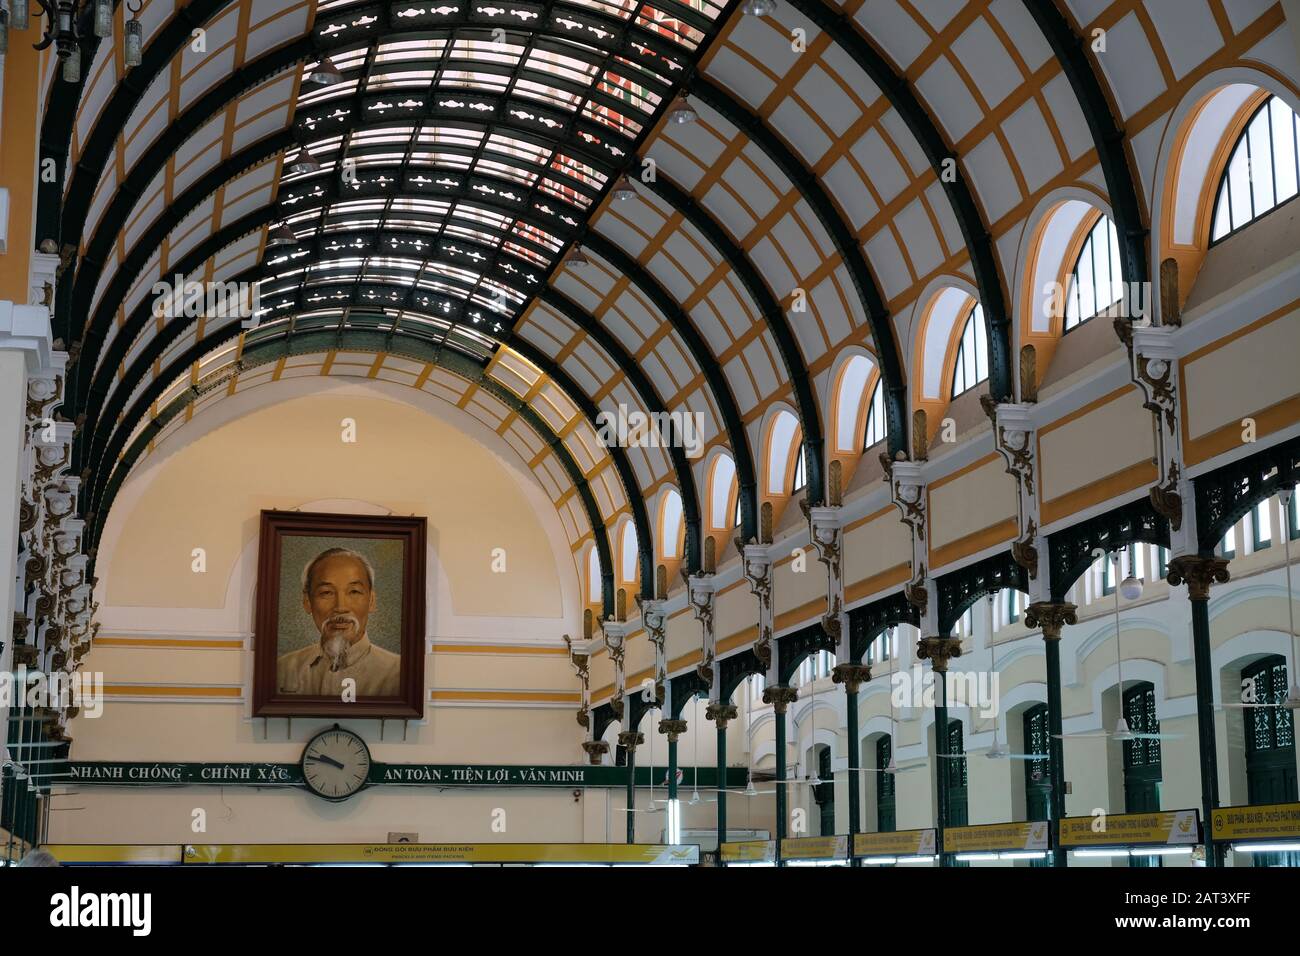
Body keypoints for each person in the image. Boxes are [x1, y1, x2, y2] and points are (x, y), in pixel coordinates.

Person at [276, 547, 400, 697]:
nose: (340, 607)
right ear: (307, 602)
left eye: (354, 591)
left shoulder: (397, 673)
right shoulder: (283, 669)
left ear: (371, 601)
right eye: (327, 593)